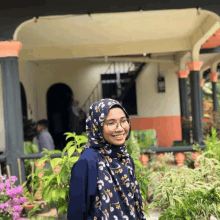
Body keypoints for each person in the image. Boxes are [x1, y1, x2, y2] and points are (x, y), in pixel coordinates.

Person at [68, 98, 147, 220]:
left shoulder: (125, 158)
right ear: (97, 127)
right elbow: (76, 214)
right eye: (110, 123)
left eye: (123, 121)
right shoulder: (87, 162)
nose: (120, 128)